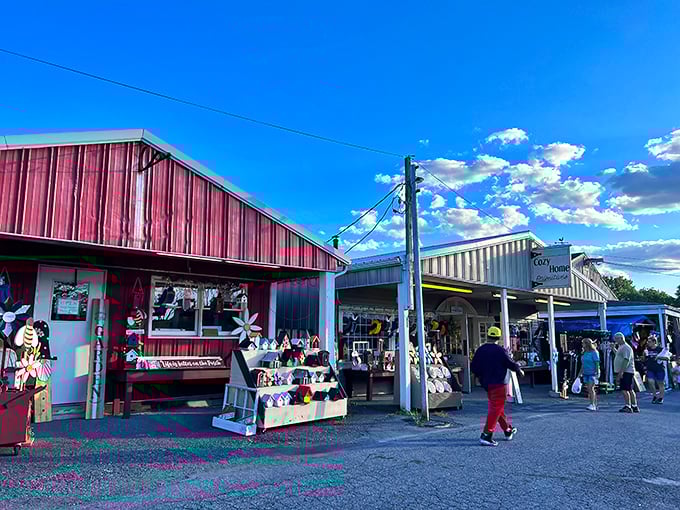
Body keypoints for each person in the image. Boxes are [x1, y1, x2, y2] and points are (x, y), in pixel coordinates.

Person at [470, 326, 525, 447]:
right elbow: (510, 363)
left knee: (497, 407)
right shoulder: (500, 351)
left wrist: (480, 377)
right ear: (498, 337)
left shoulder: (481, 350)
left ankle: (507, 430)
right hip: (500, 383)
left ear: (488, 336)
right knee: (496, 408)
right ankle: (486, 435)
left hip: (487, 384)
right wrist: (519, 370)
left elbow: (473, 366)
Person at [613, 332, 639, 413]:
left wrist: (621, 372)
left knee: (625, 389)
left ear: (621, 338)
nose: (615, 341)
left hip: (626, 371)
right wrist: (613, 348)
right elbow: (619, 355)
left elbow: (626, 360)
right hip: (627, 371)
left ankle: (628, 405)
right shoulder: (622, 347)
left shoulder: (626, 347)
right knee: (629, 389)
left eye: (616, 339)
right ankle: (634, 405)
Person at [576, 338, 600, 411]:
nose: (582, 345)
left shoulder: (594, 352)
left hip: (593, 373)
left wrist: (597, 372)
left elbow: (597, 363)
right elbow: (583, 364)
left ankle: (592, 404)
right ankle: (593, 403)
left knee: (591, 388)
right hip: (585, 373)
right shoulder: (584, 353)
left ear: (587, 344)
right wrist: (579, 373)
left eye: (583, 343)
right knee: (589, 389)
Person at [644, 335, 665, 404]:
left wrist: (658, 357)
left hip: (659, 368)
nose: (648, 343)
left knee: (660, 384)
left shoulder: (660, 349)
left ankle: (661, 398)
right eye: (648, 341)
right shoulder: (647, 349)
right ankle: (655, 395)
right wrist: (644, 355)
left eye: (649, 342)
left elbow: (667, 358)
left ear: (654, 342)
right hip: (650, 368)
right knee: (650, 382)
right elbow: (645, 359)